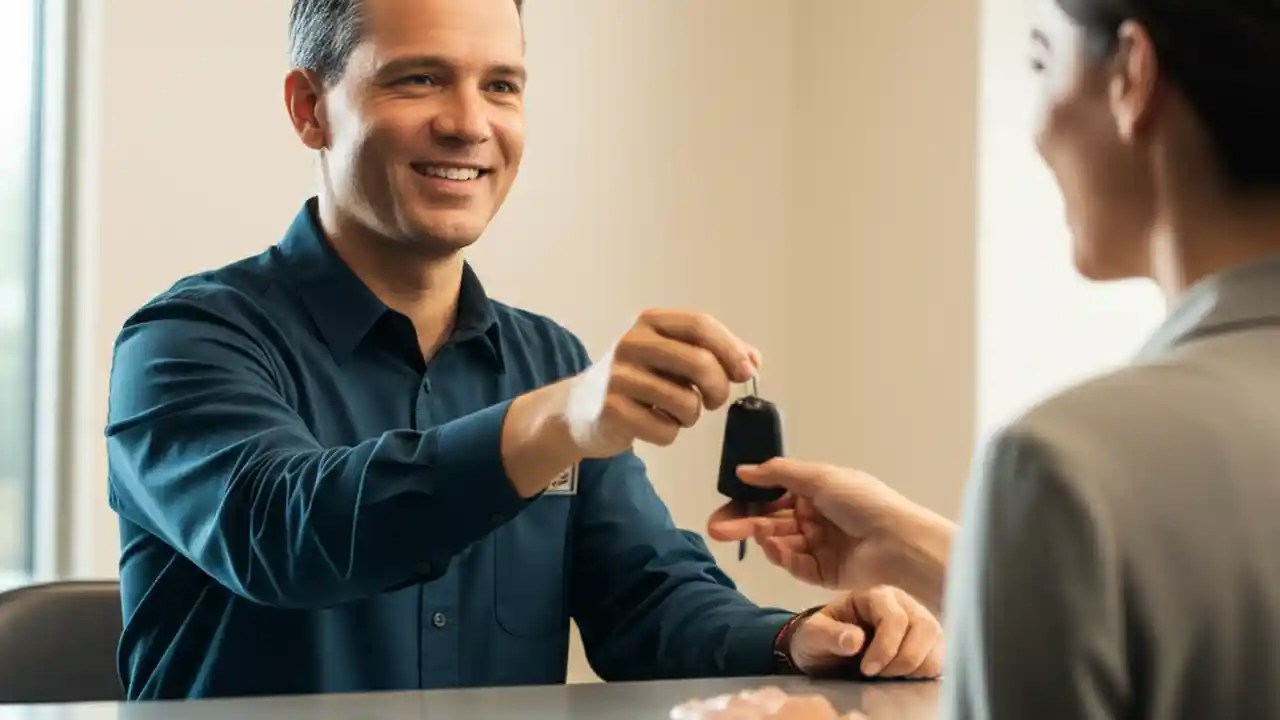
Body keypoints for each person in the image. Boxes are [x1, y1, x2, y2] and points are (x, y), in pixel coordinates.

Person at [104, 0, 944, 701]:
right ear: (308, 108)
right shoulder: (184, 343)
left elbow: (647, 602)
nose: (469, 123)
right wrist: (556, 421)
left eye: (500, 86)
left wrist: (800, 639)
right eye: (419, 78)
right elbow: (286, 533)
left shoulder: (547, 358)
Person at [710, 0, 1280, 718]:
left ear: (1134, 75)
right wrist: (931, 552)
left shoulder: (1066, 461)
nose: (1035, 134)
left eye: (1042, 62)